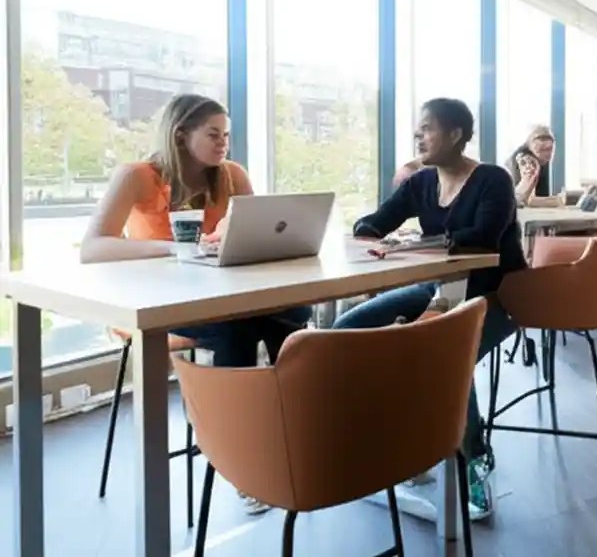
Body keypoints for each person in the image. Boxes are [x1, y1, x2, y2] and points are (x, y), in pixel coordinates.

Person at [80, 93, 311, 515]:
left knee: (295, 313)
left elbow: (255, 231)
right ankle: (243, 459)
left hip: (221, 294)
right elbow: (92, 248)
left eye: (226, 134)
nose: (224, 142)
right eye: (213, 134)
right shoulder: (137, 176)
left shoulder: (232, 176)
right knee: (238, 328)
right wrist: (172, 250)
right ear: (180, 133)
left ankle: (295, 432)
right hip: (160, 306)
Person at [334, 97, 525, 520]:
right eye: (418, 129)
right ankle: (397, 447)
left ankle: (474, 460)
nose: (418, 136)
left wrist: (416, 242)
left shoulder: (492, 179)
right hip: (437, 289)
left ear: (455, 134)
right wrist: (369, 233)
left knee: (448, 357)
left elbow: (485, 237)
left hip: (497, 295)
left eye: (427, 128)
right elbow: (375, 222)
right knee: (347, 327)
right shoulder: (421, 183)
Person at [506, 125, 560, 207]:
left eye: (549, 150)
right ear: (531, 144)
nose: (547, 154)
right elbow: (527, 200)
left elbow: (542, 194)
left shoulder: (540, 160)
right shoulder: (525, 159)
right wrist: (558, 201)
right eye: (543, 150)